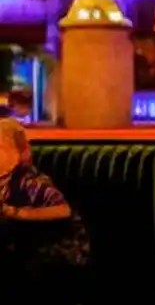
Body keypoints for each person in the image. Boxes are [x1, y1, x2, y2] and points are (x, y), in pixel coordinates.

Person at [0, 118, 90, 279]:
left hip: (56, 251)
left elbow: (64, 210)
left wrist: (17, 213)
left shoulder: (30, 182)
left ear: (19, 153)